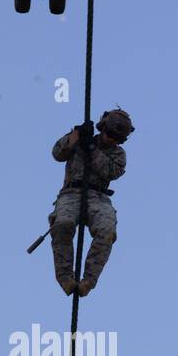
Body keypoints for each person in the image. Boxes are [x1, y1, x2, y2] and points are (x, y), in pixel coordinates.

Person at [48, 108, 134, 296]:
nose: (112, 139)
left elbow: (110, 171)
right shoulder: (80, 139)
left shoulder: (119, 154)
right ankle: (65, 277)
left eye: (117, 138)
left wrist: (91, 149)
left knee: (106, 231)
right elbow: (57, 153)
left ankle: (88, 280)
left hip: (99, 197)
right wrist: (75, 137)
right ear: (102, 128)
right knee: (63, 224)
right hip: (71, 193)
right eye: (110, 134)